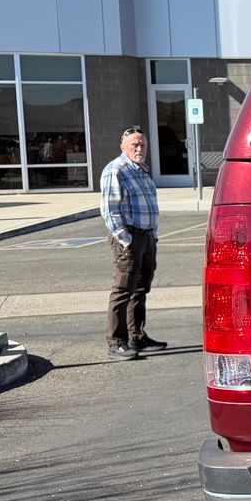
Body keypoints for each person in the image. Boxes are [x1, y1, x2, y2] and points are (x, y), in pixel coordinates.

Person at [99, 126, 167, 360]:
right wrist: (126, 240)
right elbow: (110, 210)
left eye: (142, 145)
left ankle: (136, 337)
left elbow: (150, 206)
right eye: (134, 145)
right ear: (123, 147)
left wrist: (153, 235)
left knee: (140, 289)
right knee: (122, 290)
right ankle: (116, 342)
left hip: (146, 237)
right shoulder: (115, 170)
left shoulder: (141, 171)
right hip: (130, 238)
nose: (139, 149)